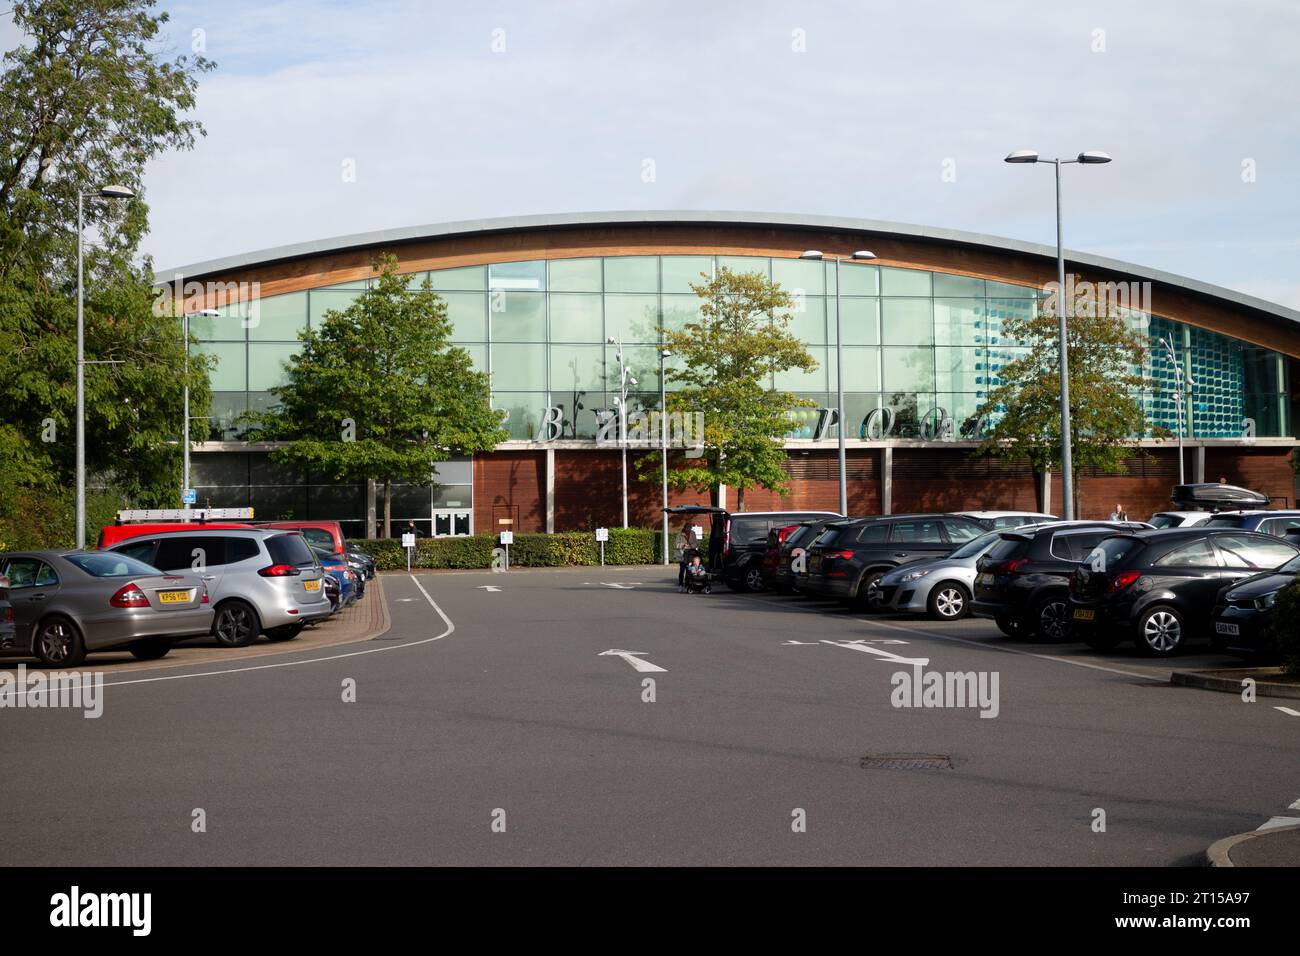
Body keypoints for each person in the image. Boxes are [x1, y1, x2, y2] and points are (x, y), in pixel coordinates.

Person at [676, 526, 692, 591]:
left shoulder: (692, 534)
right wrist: (683, 545)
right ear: (685, 528)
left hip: (690, 555)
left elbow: (696, 543)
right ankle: (680, 585)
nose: (689, 529)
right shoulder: (680, 535)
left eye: (690, 528)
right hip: (682, 555)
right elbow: (676, 545)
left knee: (689, 571)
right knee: (682, 570)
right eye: (688, 528)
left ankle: (687, 585)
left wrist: (691, 546)